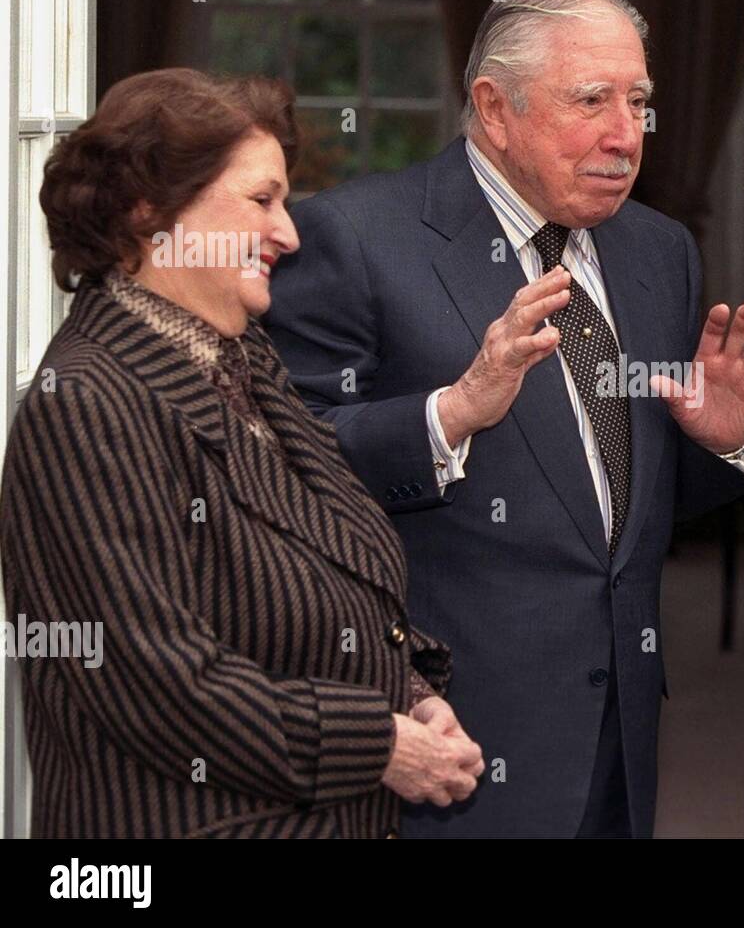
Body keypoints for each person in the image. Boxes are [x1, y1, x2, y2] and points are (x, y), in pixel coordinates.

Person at [264, 0, 744, 838]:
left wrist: (719, 447)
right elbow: (288, 470)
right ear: (494, 107)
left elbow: (612, 509)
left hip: (622, 737)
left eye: (638, 101)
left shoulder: (660, 251)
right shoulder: (354, 239)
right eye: (591, 100)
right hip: (448, 740)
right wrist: (452, 412)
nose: (626, 136)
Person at [1, 68, 483, 838]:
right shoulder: (86, 402)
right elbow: (161, 688)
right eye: (262, 201)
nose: (289, 234)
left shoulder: (240, 356)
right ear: (148, 210)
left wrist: (411, 696)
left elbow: (339, 568)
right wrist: (384, 744)